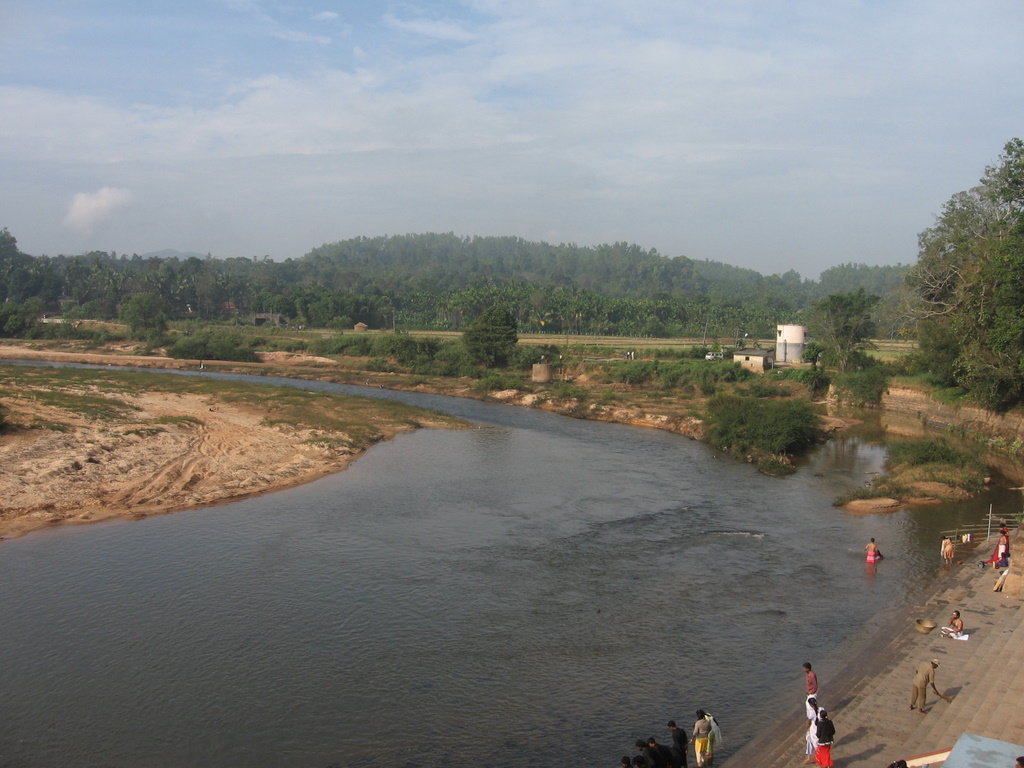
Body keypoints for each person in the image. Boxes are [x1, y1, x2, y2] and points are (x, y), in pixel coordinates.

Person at [803, 696, 820, 764]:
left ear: (810, 705)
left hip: (813, 729)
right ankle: (812, 757)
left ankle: (811, 758)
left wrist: (807, 729)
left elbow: (808, 722)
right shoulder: (821, 709)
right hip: (819, 727)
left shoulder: (811, 712)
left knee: (813, 742)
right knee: (815, 742)